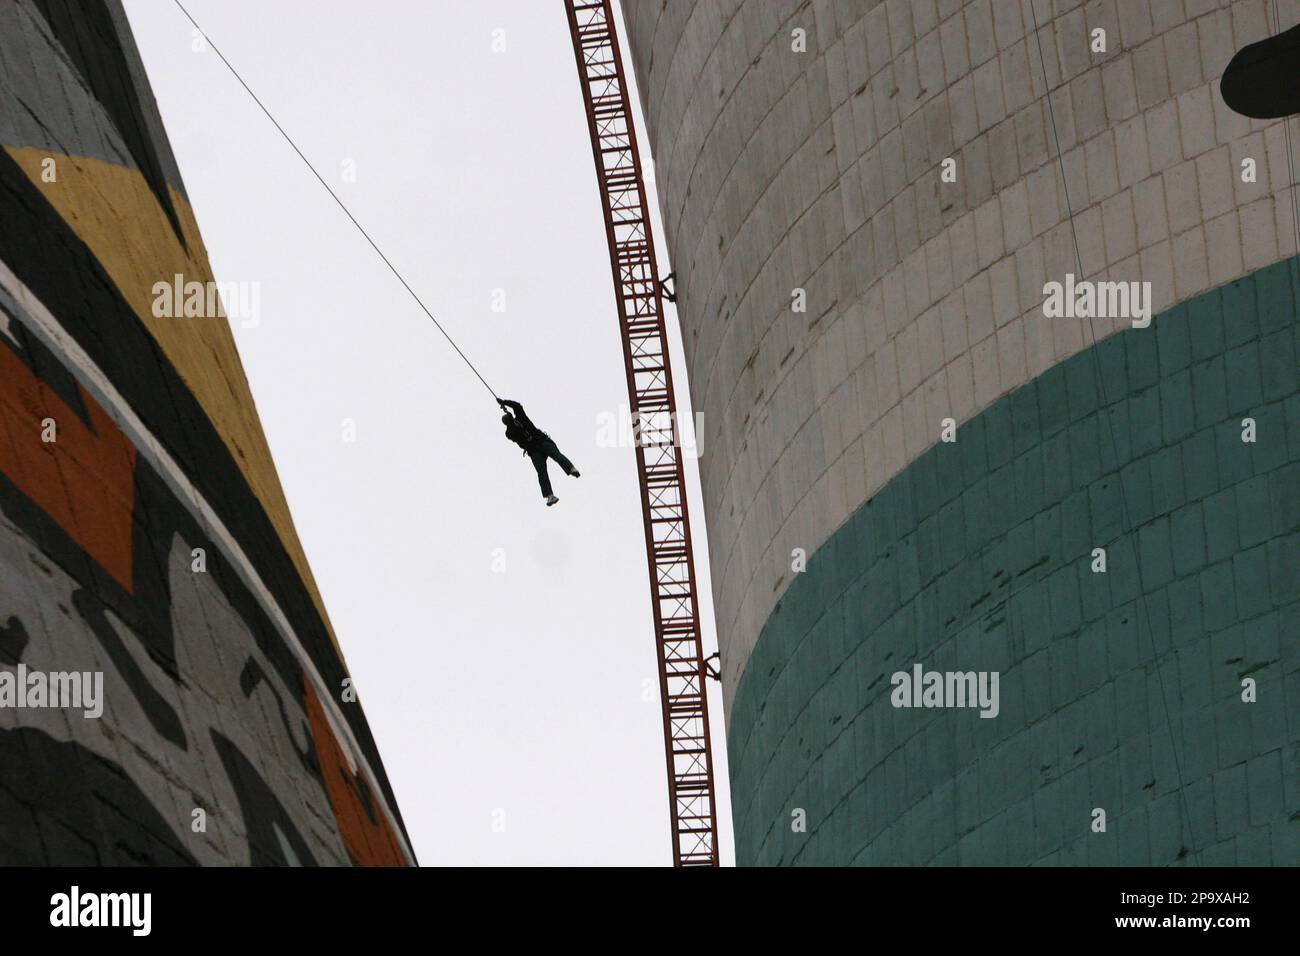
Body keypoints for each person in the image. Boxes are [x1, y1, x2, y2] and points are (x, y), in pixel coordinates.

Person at [498, 399, 579, 506]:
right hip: (534, 450)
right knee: (542, 472)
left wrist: (504, 402)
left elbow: (517, 406)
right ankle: (549, 496)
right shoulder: (509, 432)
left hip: (542, 441)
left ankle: (571, 469)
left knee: (557, 456)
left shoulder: (521, 418)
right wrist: (508, 412)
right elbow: (514, 428)